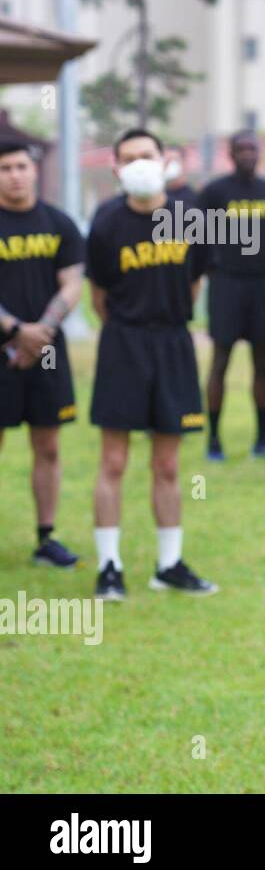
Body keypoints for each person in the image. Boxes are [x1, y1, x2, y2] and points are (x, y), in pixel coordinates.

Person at [87, 128, 216, 599]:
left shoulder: (191, 218)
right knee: (114, 460)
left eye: (148, 154)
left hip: (173, 345)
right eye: (129, 157)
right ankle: (109, 566)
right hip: (123, 345)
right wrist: (130, 327)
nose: (140, 163)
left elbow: (194, 284)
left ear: (166, 161)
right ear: (116, 168)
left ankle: (169, 564)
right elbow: (99, 297)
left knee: (167, 463)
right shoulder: (105, 223)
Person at [0, 141, 85, 568]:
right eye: (4, 168)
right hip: (4, 347)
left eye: (20, 166)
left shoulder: (59, 223)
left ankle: (46, 538)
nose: (14, 175)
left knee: (48, 445)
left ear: (34, 170)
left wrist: (41, 332)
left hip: (47, 350)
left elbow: (72, 283)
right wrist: (16, 331)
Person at [199, 130, 265, 461]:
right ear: (230, 154)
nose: (249, 154)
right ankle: (214, 439)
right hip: (226, 284)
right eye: (242, 149)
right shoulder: (214, 192)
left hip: (261, 284)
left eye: (253, 148)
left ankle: (263, 439)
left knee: (263, 363)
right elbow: (198, 235)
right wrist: (215, 267)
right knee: (220, 360)